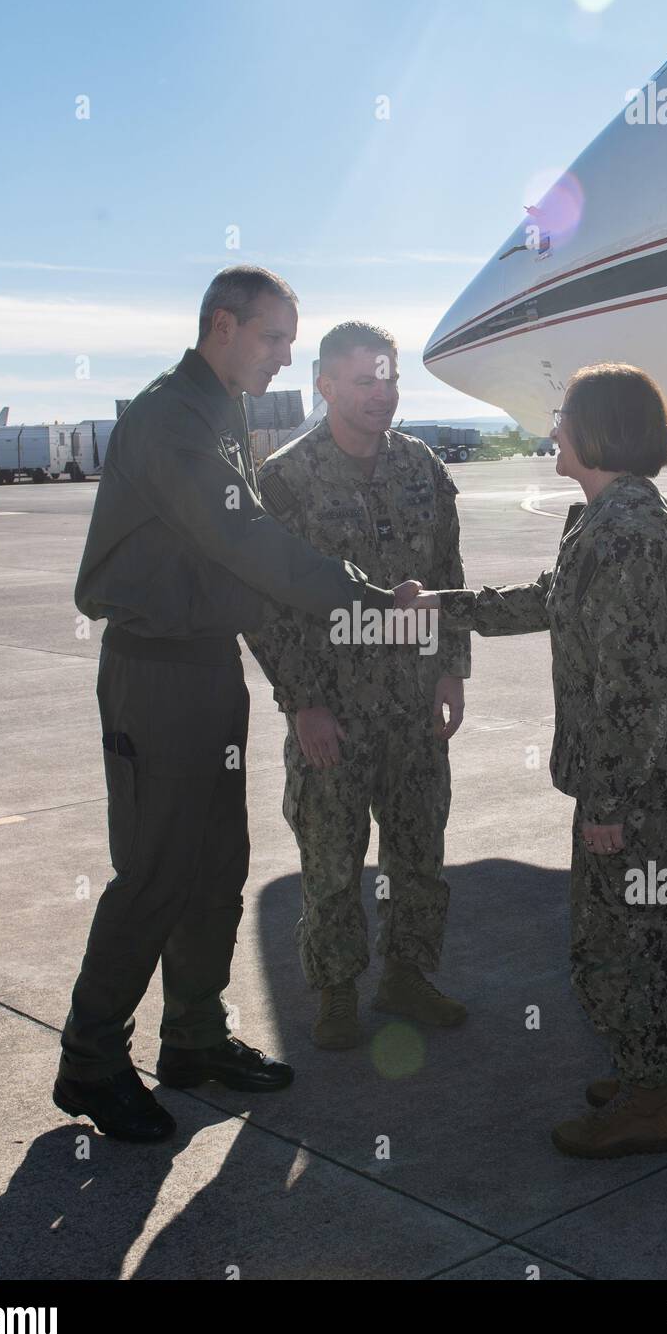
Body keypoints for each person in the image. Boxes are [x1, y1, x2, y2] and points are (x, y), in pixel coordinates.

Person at [55, 269, 420, 1141]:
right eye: (274, 338)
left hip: (208, 667)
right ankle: (90, 1061)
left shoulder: (220, 415)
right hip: (158, 673)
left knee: (217, 866)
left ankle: (193, 1039)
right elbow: (248, 542)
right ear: (222, 326)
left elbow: (243, 557)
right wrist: (364, 596)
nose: (286, 356)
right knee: (154, 871)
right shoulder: (172, 419)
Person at [412, 363, 667, 1157]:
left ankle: (646, 1100)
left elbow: (633, 689)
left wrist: (609, 805)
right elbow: (548, 602)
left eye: (563, 415)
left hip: (642, 775)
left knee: (613, 940)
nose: (551, 427)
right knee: (649, 924)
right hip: (661, 767)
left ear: (595, 430)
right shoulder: (613, 518)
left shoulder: (624, 534)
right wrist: (442, 608)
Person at [245, 322, 471, 1048]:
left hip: (412, 707)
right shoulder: (284, 478)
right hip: (332, 710)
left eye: (391, 379)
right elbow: (264, 603)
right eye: (366, 381)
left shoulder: (421, 468)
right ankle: (336, 994)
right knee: (332, 862)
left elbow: (448, 579)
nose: (383, 395)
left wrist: (449, 671)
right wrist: (301, 702)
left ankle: (407, 976)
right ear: (325, 386)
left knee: (419, 855)